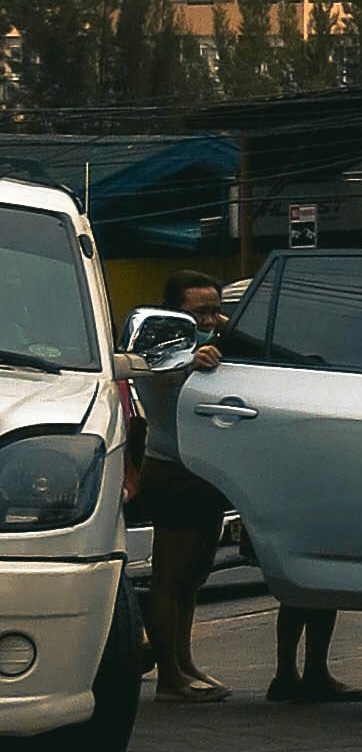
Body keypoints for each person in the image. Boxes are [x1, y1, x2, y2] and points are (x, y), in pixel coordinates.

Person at [122, 274, 233, 703]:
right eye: (198, 312)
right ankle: (170, 673)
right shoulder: (160, 354)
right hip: (171, 471)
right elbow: (163, 385)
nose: (209, 319)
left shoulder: (215, 348)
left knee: (193, 577)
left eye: (213, 310)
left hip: (205, 473)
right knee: (171, 575)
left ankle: (184, 662)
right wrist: (192, 361)